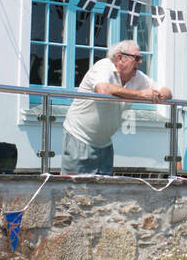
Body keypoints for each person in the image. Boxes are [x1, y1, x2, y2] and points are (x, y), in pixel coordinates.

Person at [60, 40, 171, 175]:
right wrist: (140, 94)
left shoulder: (137, 77)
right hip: (79, 138)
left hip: (105, 145)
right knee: (73, 191)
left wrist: (158, 95)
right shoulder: (103, 66)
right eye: (136, 58)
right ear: (120, 58)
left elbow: (168, 92)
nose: (140, 62)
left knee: (103, 194)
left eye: (140, 58)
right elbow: (103, 90)